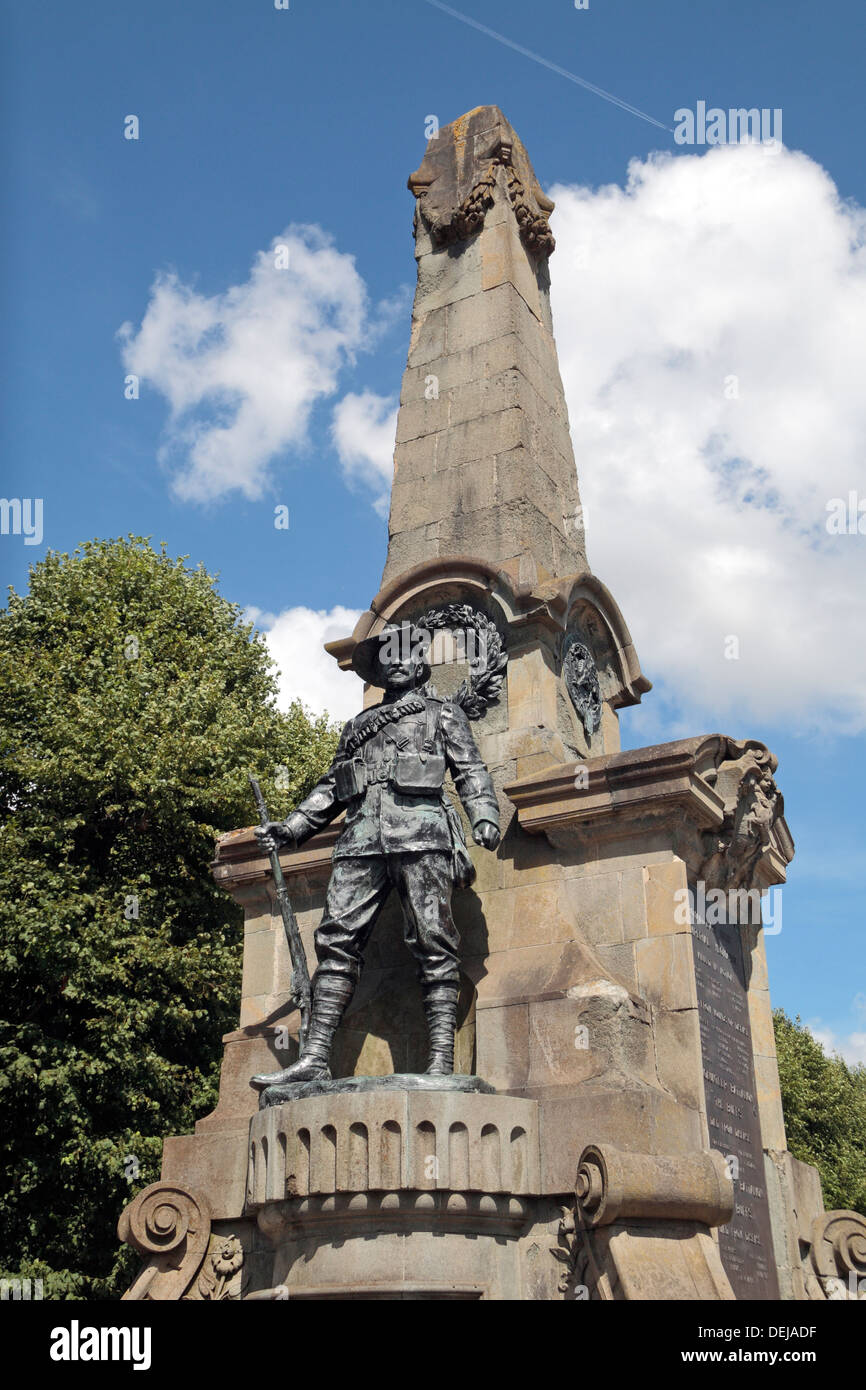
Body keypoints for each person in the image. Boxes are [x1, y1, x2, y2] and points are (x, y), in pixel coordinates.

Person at [251, 621, 501, 1088]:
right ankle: (315, 1058)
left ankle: (441, 1061)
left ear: (422, 662)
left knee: (434, 942)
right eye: (390, 655)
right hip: (360, 840)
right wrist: (291, 828)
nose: (399, 661)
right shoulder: (358, 728)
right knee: (336, 942)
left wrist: (483, 814)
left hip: (423, 839)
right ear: (381, 669)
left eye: (407, 652)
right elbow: (330, 787)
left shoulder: (442, 715)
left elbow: (470, 770)